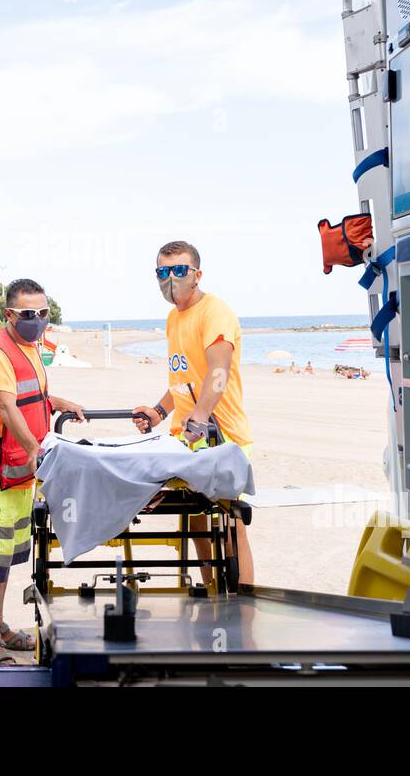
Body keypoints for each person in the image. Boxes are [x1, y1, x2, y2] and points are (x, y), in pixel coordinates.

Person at [0, 278, 84, 665]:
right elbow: (7, 408)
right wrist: (34, 449)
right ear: (9, 314)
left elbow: (32, 396)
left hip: (16, 475)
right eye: (29, 314)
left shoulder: (29, 348)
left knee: (6, 557)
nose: (38, 320)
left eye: (43, 313)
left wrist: (60, 402)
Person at [130, 241, 254, 586]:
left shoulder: (215, 312)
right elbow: (183, 380)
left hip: (220, 436)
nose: (171, 278)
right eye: (162, 272)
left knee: (229, 527)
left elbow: (217, 373)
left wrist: (197, 423)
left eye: (179, 270)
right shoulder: (174, 317)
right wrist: (158, 412)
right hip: (186, 438)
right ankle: (215, 594)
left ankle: (242, 604)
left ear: (197, 274)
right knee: (196, 525)